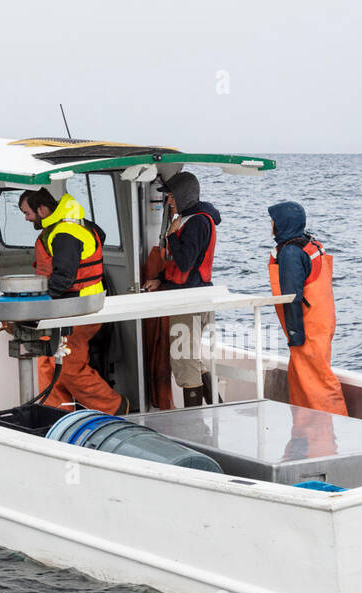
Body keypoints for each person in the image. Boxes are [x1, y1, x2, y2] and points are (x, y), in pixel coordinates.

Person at [18, 188, 129, 415]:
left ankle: (116, 407)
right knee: (48, 362)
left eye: (27, 212)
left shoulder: (64, 233)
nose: (26, 218)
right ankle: (56, 415)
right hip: (68, 309)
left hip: (79, 311)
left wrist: (37, 305)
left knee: (69, 367)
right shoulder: (74, 223)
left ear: (41, 209)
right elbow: (100, 235)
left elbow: (63, 278)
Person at [143, 171, 220, 407]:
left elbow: (185, 261)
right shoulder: (194, 219)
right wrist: (160, 280)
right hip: (196, 296)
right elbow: (184, 266)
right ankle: (218, 408)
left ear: (184, 195)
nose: (168, 200)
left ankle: (194, 424)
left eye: (172, 196)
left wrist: (172, 235)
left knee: (184, 362)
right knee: (192, 360)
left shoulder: (196, 222)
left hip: (190, 301)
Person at [267, 201, 347, 415]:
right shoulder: (310, 245)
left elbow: (292, 296)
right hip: (321, 323)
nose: (271, 224)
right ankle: (307, 434)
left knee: (317, 382)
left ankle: (332, 430)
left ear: (282, 223)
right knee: (305, 378)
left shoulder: (290, 253)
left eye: (273, 220)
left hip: (306, 328)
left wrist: (295, 334)